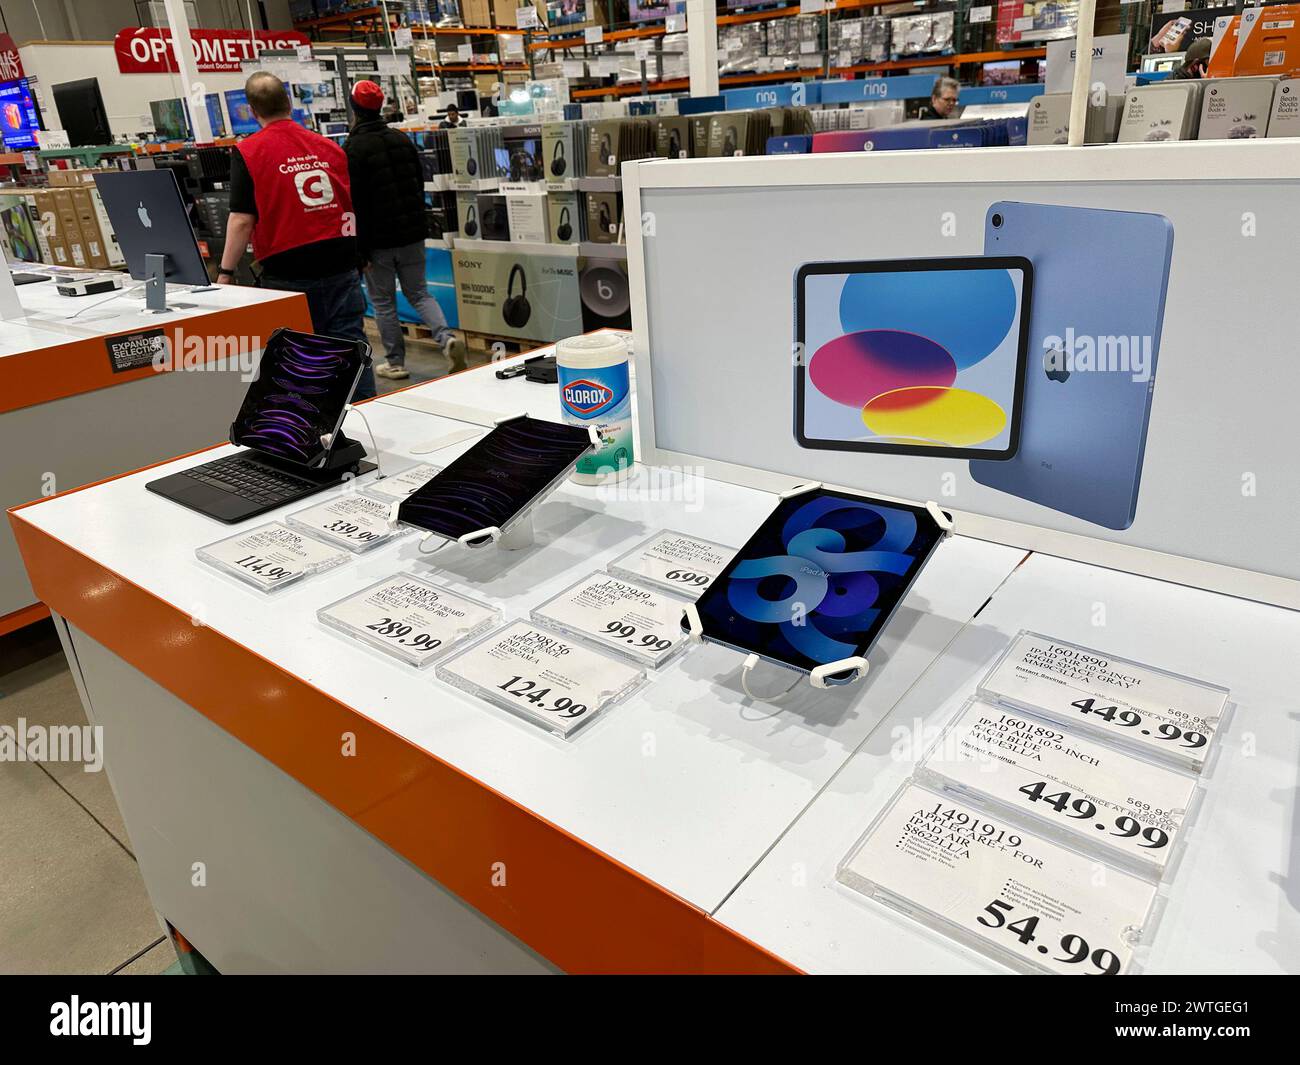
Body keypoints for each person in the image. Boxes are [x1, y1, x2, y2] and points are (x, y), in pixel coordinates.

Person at [217, 71, 375, 400]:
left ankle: (309, 437)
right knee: (351, 353)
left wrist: (226, 273)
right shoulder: (330, 147)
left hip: (288, 272)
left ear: (251, 109)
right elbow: (351, 205)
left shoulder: (248, 152)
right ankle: (369, 419)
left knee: (301, 361)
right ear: (289, 102)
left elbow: (242, 221)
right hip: (340, 263)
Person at [344, 80, 466, 380]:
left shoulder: (352, 148)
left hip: (378, 242)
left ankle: (395, 363)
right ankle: (446, 337)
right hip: (413, 233)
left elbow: (355, 202)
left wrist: (360, 250)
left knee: (383, 302)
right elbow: (417, 185)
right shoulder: (402, 140)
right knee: (420, 293)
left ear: (354, 108)